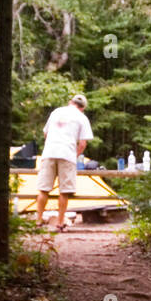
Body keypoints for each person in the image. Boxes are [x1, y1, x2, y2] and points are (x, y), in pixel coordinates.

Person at [36, 93, 92, 231]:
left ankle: (38, 222)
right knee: (64, 191)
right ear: (83, 108)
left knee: (43, 189)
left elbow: (46, 133)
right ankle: (60, 223)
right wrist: (75, 155)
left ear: (70, 102)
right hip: (67, 154)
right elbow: (83, 143)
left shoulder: (56, 112)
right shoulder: (82, 118)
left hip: (49, 152)